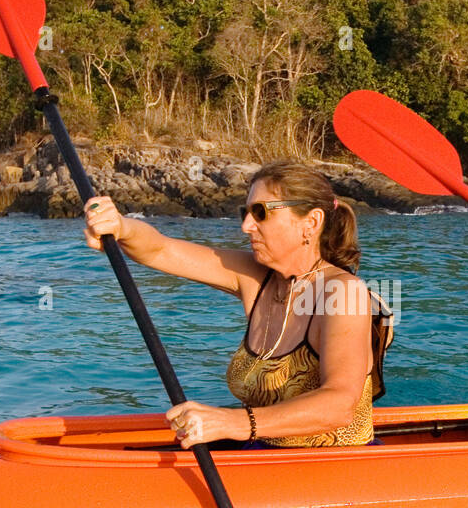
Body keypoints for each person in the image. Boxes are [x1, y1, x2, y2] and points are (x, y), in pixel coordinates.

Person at [83, 160, 390, 449]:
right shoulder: (256, 278)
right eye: (245, 212)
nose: (246, 226)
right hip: (260, 453)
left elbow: (339, 405)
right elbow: (159, 250)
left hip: (335, 471)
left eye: (261, 212)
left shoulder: (342, 293)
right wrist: (121, 227)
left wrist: (230, 422)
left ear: (311, 222)